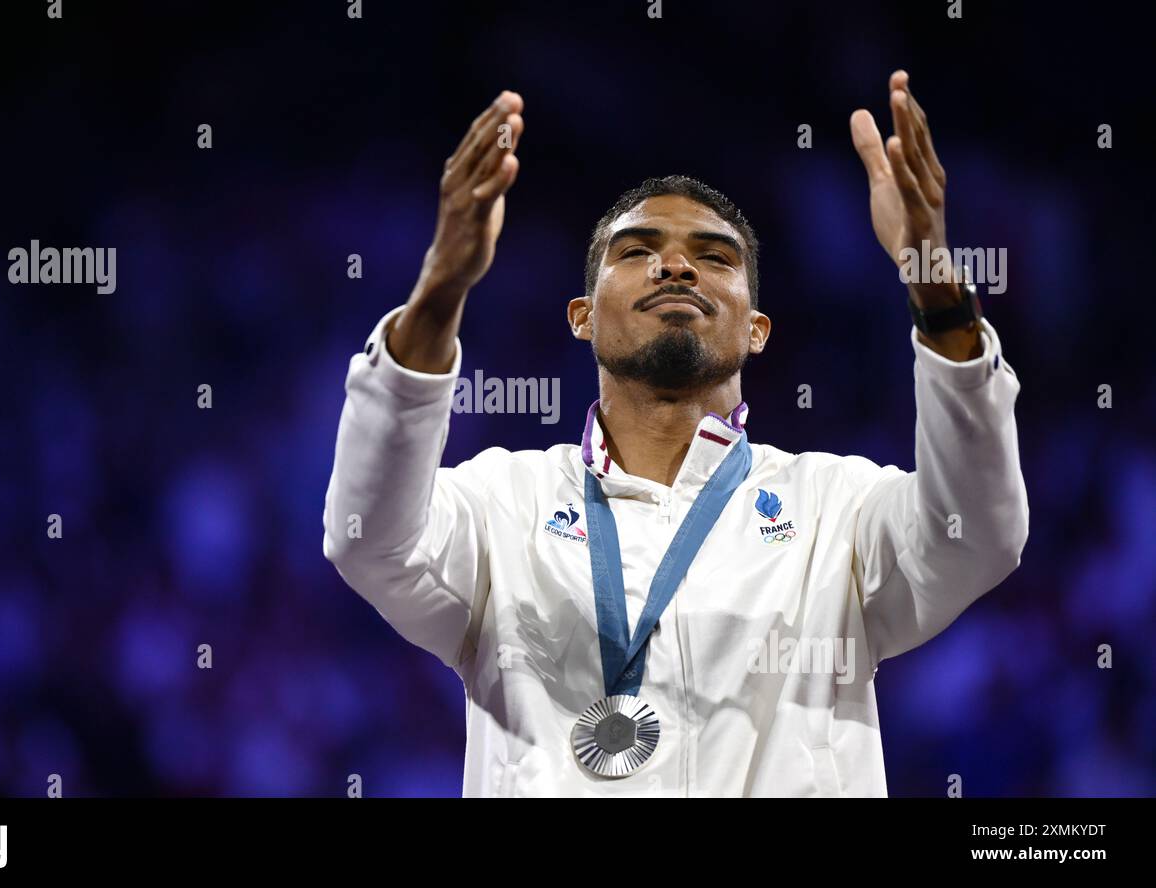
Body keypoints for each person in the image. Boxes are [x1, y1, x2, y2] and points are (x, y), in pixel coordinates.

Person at [322, 71, 1029, 796]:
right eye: (635, 251)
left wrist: (937, 292)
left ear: (756, 330)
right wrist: (440, 289)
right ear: (582, 316)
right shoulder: (503, 503)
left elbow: (978, 536)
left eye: (716, 257)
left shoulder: (835, 508)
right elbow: (368, 539)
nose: (677, 265)